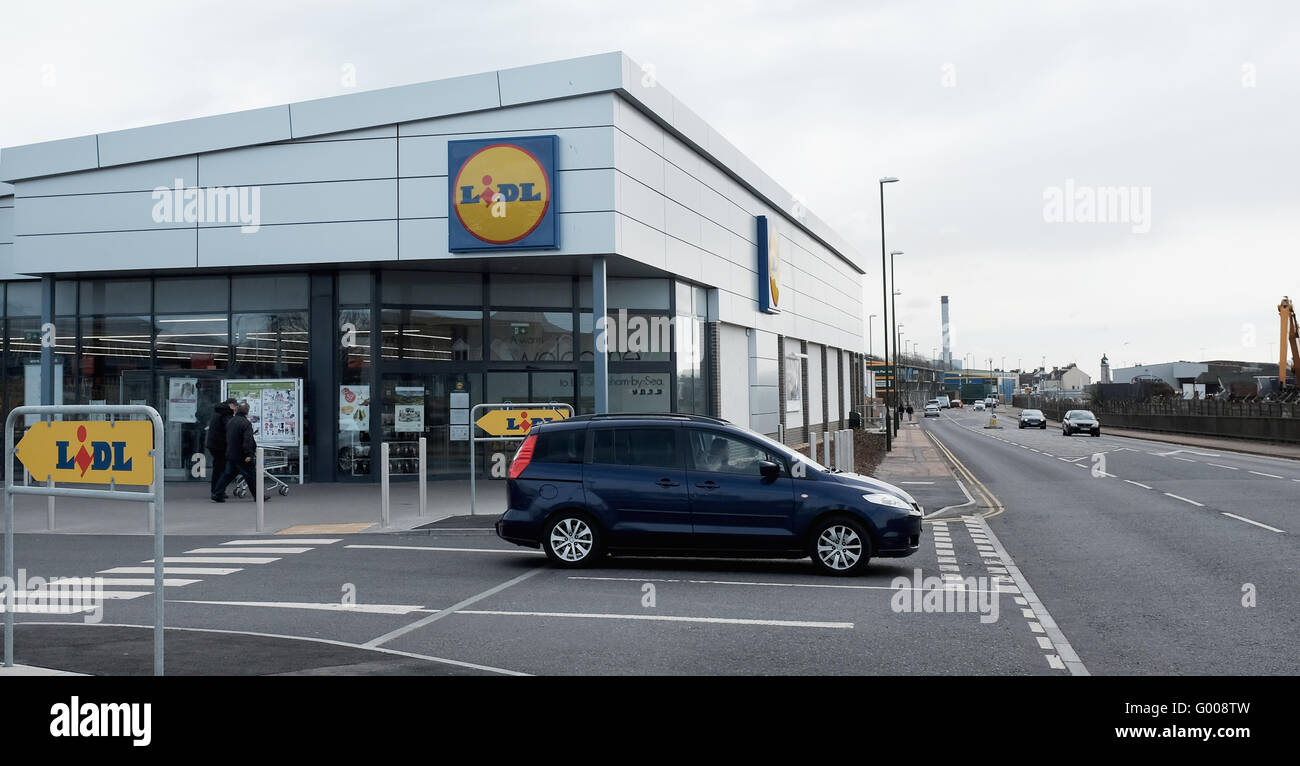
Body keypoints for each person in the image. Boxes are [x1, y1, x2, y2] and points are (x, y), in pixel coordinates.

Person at [212, 402, 261, 503]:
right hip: (242, 455)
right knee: (251, 475)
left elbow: (230, 438)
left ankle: (217, 493)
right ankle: (258, 496)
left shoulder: (231, 421)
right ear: (247, 412)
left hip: (231, 453)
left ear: (237, 410)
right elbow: (247, 440)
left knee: (228, 474)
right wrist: (248, 454)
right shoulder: (246, 423)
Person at [205, 398, 237, 498]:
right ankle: (217, 490)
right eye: (235, 406)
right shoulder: (226, 413)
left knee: (218, 468)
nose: (235, 408)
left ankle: (217, 489)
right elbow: (229, 427)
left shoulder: (219, 411)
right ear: (231, 405)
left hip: (214, 444)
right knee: (221, 468)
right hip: (220, 445)